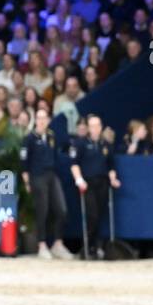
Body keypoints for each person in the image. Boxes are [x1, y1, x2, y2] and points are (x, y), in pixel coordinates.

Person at [20, 108, 73, 259]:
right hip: (37, 177)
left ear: (48, 120)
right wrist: (27, 182)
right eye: (39, 118)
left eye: (44, 118)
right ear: (35, 120)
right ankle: (42, 245)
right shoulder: (29, 138)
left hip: (52, 175)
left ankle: (57, 244)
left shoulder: (51, 136)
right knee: (42, 211)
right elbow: (24, 163)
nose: (42, 121)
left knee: (61, 210)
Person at [68, 114, 122, 259]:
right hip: (87, 183)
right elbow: (74, 163)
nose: (95, 129)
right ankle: (88, 245)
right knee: (92, 214)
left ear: (101, 127)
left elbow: (111, 165)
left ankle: (96, 246)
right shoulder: (80, 144)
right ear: (88, 128)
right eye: (92, 126)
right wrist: (79, 180)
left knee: (100, 214)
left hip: (103, 182)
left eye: (97, 125)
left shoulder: (105, 144)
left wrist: (113, 178)